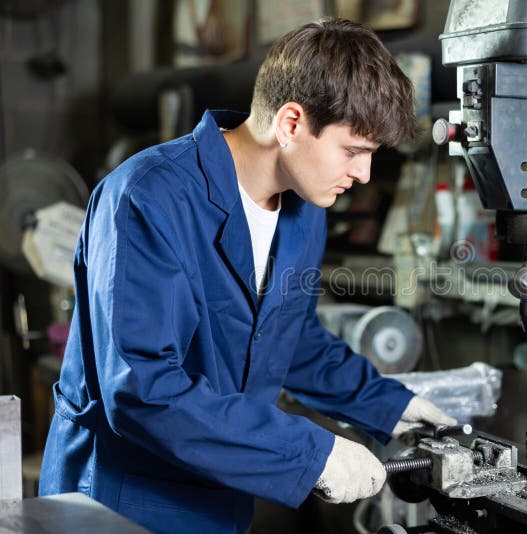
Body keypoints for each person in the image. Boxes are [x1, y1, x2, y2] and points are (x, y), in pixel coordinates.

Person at [39, 18, 455, 534]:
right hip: (122, 499)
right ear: (291, 123)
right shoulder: (148, 198)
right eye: (354, 151)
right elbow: (142, 388)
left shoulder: (305, 211)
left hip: (221, 499)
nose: (365, 175)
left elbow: (290, 339)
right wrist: (312, 454)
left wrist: (392, 406)